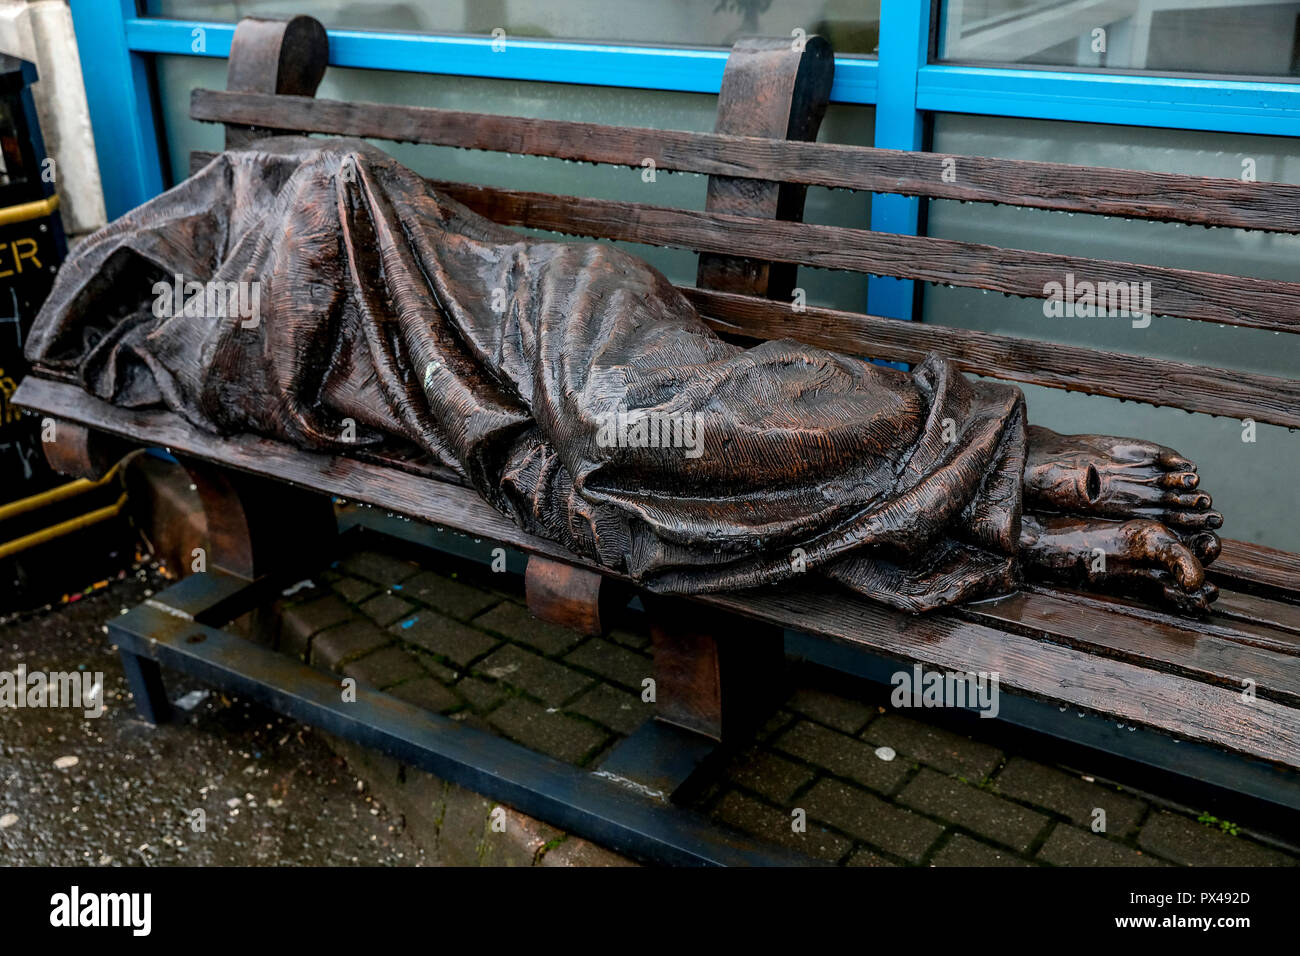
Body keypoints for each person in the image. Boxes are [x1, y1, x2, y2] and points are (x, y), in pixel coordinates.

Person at [25, 138, 1221, 614]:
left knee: (650, 425)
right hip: (480, 426)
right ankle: (1002, 522)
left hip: (541, 317)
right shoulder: (178, 346)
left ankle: (990, 455)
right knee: (615, 511)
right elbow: (179, 360)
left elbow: (336, 215)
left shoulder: (285, 198)